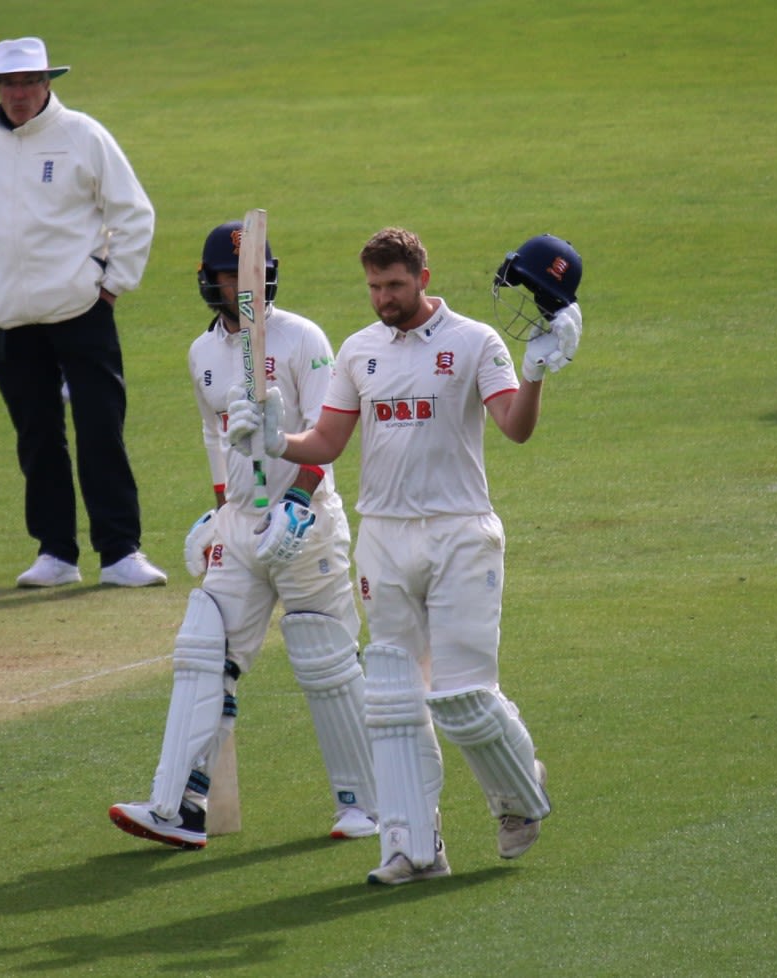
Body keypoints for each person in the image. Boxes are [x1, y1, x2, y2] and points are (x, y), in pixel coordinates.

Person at [227, 227, 583, 885]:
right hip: (383, 538)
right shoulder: (360, 351)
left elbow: (516, 428)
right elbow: (328, 441)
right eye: (373, 286)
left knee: (461, 696)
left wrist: (535, 375)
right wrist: (276, 440)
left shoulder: (476, 341)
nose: (382, 298)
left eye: (393, 285)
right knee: (392, 700)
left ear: (422, 277)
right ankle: (412, 849)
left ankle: (519, 797)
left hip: (460, 532)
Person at [108, 221, 377, 849]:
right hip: (241, 524)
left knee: (325, 658)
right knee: (205, 651)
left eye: (248, 274)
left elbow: (330, 426)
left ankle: (368, 804)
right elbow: (214, 434)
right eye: (230, 277)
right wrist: (219, 510)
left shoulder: (302, 337)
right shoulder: (202, 354)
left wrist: (302, 501)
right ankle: (180, 806)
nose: (240, 286)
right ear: (209, 282)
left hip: (306, 525)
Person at [0, 36, 166, 589]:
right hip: (4, 317)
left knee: (100, 427)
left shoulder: (82, 136)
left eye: (28, 82)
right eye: (8, 83)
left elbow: (133, 214)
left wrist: (111, 286)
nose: (18, 93)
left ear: (48, 83)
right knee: (37, 434)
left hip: (79, 308)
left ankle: (120, 552)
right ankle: (56, 553)